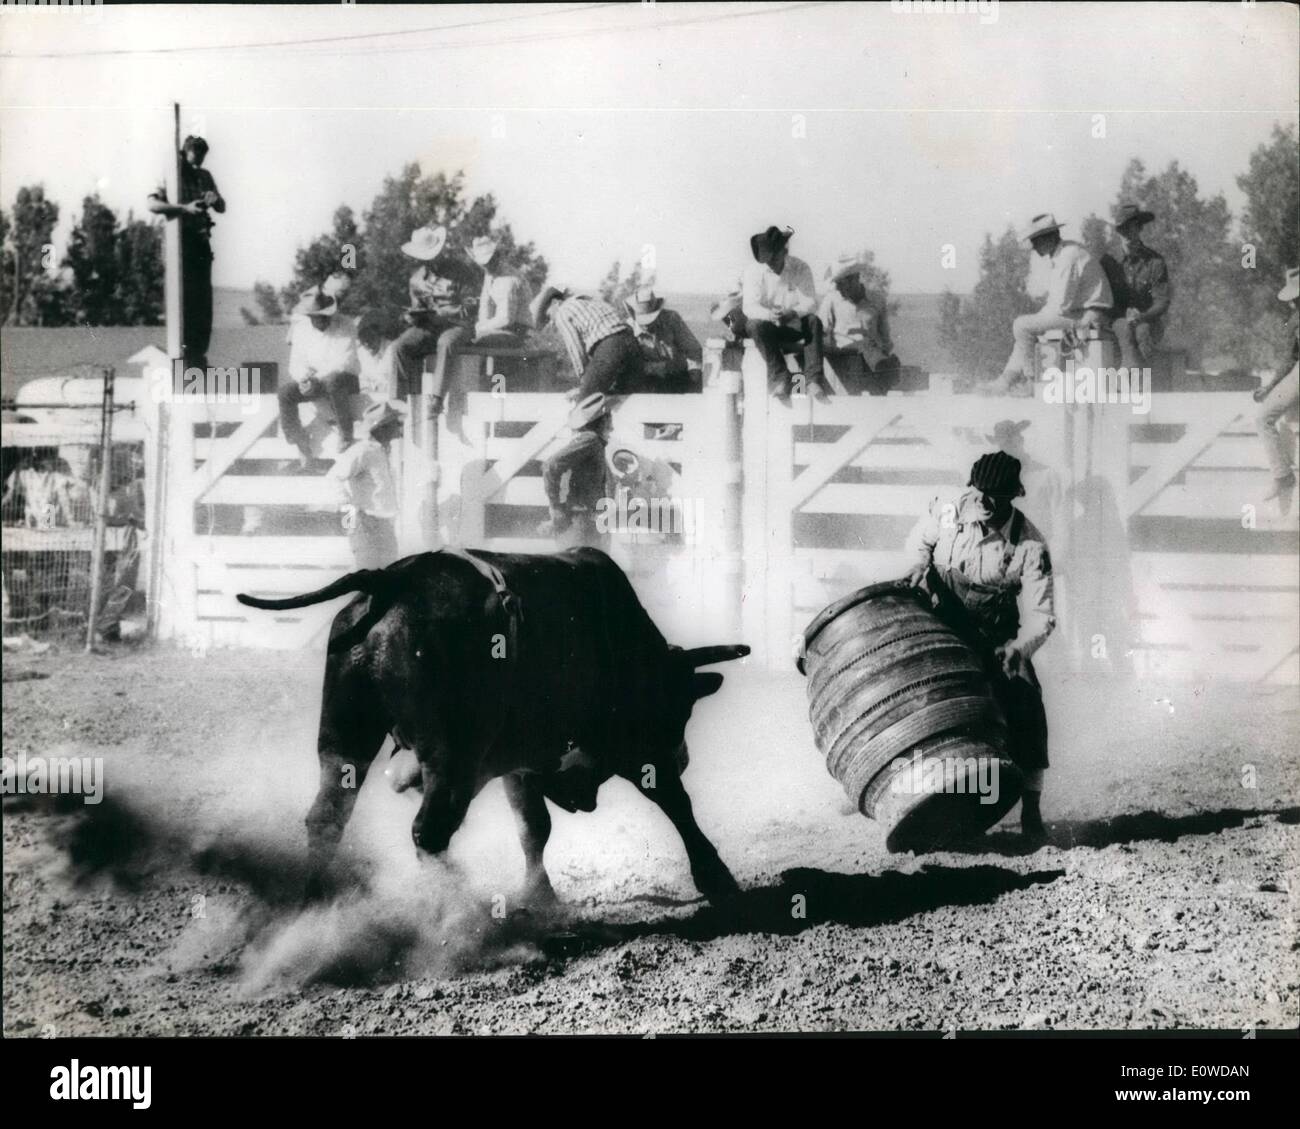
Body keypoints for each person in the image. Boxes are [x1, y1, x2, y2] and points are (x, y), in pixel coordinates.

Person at [904, 451, 1056, 845]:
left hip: (994, 639)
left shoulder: (1029, 544)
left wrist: (1019, 649)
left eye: (995, 496)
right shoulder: (951, 509)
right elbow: (920, 541)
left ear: (1013, 495)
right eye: (978, 492)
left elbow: (1042, 615)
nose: (984, 502)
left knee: (1026, 702)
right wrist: (919, 563)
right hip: (938, 626)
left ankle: (1031, 810)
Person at [986, 213, 1114, 395]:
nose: (1033, 246)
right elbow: (1058, 302)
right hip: (1080, 312)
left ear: (1051, 237)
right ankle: (1005, 381)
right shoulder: (1064, 253)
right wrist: (1038, 319)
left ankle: (1031, 382)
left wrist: (1037, 320)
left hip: (1091, 316)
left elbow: (1061, 305)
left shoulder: (1068, 256)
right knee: (1024, 330)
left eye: (1037, 240)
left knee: (1022, 326)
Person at [148, 135, 225, 368]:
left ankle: (198, 356)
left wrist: (214, 200)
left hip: (200, 241)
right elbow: (152, 204)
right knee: (184, 299)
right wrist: (184, 208)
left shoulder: (204, 176)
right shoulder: (171, 176)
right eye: (194, 157)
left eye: (202, 158)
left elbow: (222, 206)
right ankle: (185, 356)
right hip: (180, 243)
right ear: (184, 153)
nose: (197, 163)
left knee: (203, 300)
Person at [391, 226, 479, 411]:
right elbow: (418, 308)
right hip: (428, 327)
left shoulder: (461, 271)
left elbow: (472, 303)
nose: (429, 261)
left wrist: (449, 313)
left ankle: (436, 399)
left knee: (446, 343)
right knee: (401, 345)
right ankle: (399, 399)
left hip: (458, 325)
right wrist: (412, 317)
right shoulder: (416, 279)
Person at [741, 225, 828, 402]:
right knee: (753, 325)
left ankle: (812, 380)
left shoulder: (800, 268)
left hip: (795, 326)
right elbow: (749, 307)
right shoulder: (753, 271)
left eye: (774, 257)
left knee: (814, 321)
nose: (771, 262)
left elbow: (810, 301)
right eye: (767, 259)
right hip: (768, 330)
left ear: (784, 251)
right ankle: (780, 378)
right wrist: (770, 315)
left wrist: (792, 313)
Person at [278, 287, 361, 469]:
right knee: (285, 393)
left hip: (344, 379)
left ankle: (346, 433)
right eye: (315, 317)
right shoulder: (301, 329)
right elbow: (295, 363)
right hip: (314, 382)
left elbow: (343, 362)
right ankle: (299, 440)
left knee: (333, 380)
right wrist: (303, 379)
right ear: (309, 316)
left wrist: (315, 378)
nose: (320, 321)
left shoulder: (345, 325)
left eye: (324, 316)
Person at [325, 400, 404, 570]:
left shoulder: (383, 451)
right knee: (366, 572)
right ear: (381, 428)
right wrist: (349, 509)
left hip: (384, 523)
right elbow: (333, 476)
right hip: (364, 521)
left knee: (389, 572)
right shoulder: (362, 450)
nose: (399, 426)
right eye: (394, 423)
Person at [531, 285, 645, 398]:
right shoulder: (588, 301)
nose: (551, 322)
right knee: (624, 397)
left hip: (611, 345)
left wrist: (585, 386)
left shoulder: (562, 312)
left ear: (555, 302)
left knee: (586, 401)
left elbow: (576, 349)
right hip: (632, 343)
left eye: (548, 316)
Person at [539, 392, 614, 548]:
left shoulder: (594, 443)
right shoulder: (591, 440)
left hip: (586, 523)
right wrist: (556, 507)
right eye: (608, 421)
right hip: (580, 524)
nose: (612, 427)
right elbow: (551, 465)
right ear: (601, 422)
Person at [819, 253, 900, 395]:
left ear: (854, 279)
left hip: (873, 358)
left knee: (873, 354)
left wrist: (885, 352)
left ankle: (885, 370)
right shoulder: (831, 300)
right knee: (863, 349)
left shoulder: (877, 300)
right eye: (836, 284)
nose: (837, 288)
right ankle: (884, 369)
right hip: (843, 356)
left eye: (841, 283)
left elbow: (885, 335)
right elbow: (820, 331)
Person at [1254, 266, 1300, 509]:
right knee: (1264, 418)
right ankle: (1282, 475)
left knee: (1263, 418)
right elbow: (1291, 359)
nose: (1294, 304)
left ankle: (1283, 476)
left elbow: (1290, 360)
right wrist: (1271, 386)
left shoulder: (1294, 319)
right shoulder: (1294, 320)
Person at [1109, 203, 1172, 371]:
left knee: (1143, 331)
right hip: (1118, 322)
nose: (1127, 234)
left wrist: (1142, 316)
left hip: (1148, 321)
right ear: (1118, 232)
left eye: (1132, 228)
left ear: (1139, 228)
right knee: (1123, 331)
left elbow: (1162, 301)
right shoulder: (1109, 262)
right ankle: (1125, 377)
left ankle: (1147, 381)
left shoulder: (1155, 261)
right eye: (1122, 229)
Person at [624, 286, 702, 393]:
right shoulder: (628, 330)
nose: (647, 325)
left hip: (678, 378)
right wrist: (661, 368)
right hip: (646, 383)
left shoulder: (671, 318)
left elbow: (693, 349)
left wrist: (694, 373)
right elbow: (631, 366)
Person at [470, 235, 534, 349]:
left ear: (497, 256)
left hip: (517, 329)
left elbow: (506, 318)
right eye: (484, 264)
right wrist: (481, 324)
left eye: (490, 261)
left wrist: (482, 327)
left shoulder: (508, 279)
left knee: (478, 343)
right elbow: (485, 305)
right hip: (501, 326)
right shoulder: (490, 274)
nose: (487, 266)